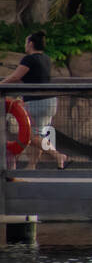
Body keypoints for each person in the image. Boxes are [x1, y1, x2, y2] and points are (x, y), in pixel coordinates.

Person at [1, 30, 67, 169]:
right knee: (39, 134)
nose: (25, 45)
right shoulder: (46, 58)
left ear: (30, 43)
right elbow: (35, 78)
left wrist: (1, 84)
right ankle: (32, 166)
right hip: (50, 101)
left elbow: (15, 77)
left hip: (37, 102)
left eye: (26, 42)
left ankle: (57, 155)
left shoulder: (29, 59)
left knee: (30, 136)